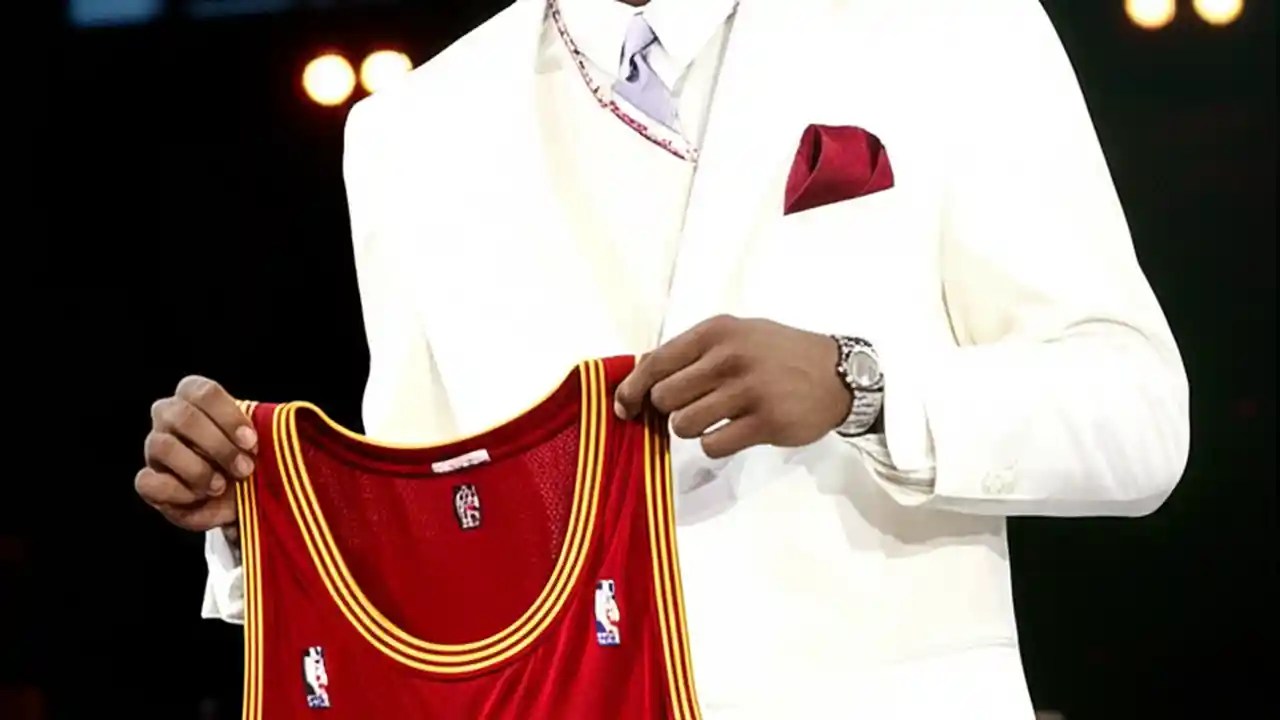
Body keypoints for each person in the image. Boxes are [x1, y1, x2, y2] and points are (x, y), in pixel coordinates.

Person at [134, 0, 1190, 717]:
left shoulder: (949, 27)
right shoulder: (412, 127)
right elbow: (449, 531)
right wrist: (273, 512)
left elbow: (1136, 416)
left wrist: (862, 386)